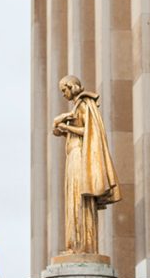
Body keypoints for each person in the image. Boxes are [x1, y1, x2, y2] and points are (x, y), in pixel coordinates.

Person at [52, 75, 121, 254]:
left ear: (71, 87)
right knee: (73, 200)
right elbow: (56, 131)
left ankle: (83, 246)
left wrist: (67, 128)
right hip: (73, 156)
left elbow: (89, 130)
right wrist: (59, 124)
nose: (63, 94)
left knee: (79, 199)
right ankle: (74, 245)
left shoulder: (84, 104)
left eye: (63, 90)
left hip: (80, 155)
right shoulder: (76, 107)